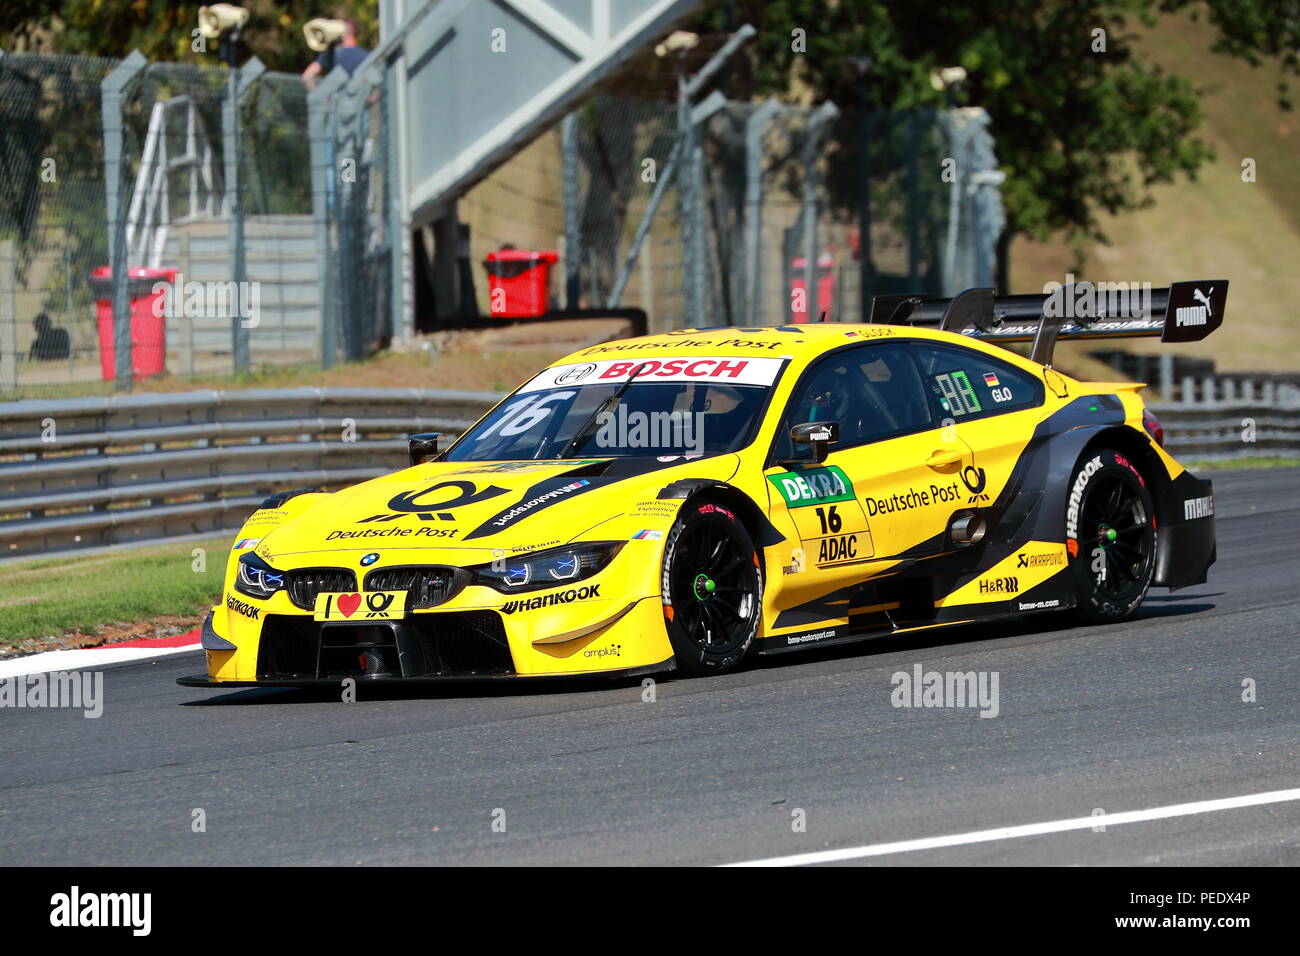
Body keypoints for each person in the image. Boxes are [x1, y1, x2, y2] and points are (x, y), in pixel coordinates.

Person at [302, 18, 370, 90]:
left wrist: (322, 98)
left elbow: (307, 76)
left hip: (334, 99)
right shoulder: (366, 56)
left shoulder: (331, 54)